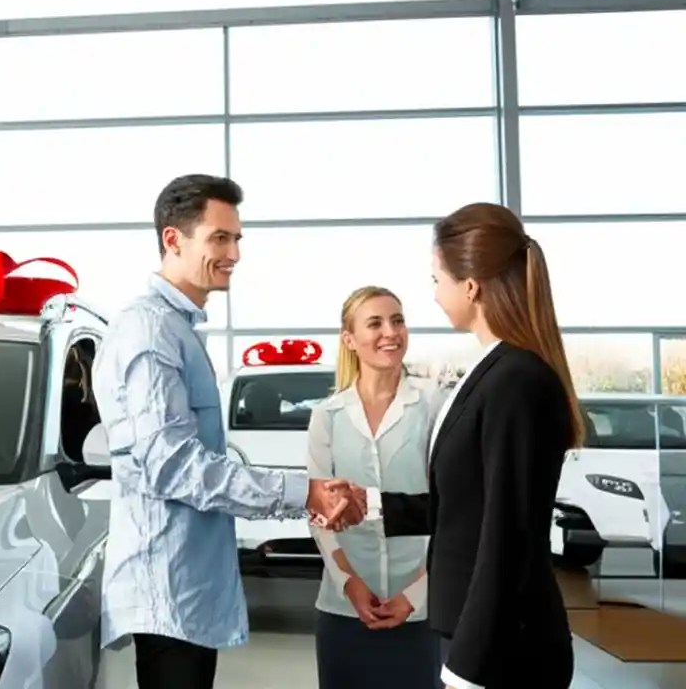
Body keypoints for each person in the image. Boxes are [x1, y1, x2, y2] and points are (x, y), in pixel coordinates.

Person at [91, 173, 359, 688]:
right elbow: (173, 466)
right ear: (173, 239)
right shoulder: (150, 332)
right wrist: (303, 492)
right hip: (168, 587)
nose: (234, 252)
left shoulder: (177, 329)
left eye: (237, 238)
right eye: (220, 237)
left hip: (188, 586)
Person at [336, 202, 583, 689]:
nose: (433, 294)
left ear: (470, 287)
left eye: (436, 280)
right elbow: (468, 508)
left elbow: (506, 538)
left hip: (502, 648)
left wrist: (469, 665)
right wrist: (375, 506)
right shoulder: (492, 370)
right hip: (479, 634)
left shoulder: (516, 380)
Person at [307, 285, 442, 689]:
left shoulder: (434, 405)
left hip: (423, 611)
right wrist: (350, 583)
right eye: (376, 323)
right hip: (343, 611)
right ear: (349, 339)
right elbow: (319, 513)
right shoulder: (327, 416)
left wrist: (415, 594)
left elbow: (452, 508)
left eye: (397, 320)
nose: (391, 332)